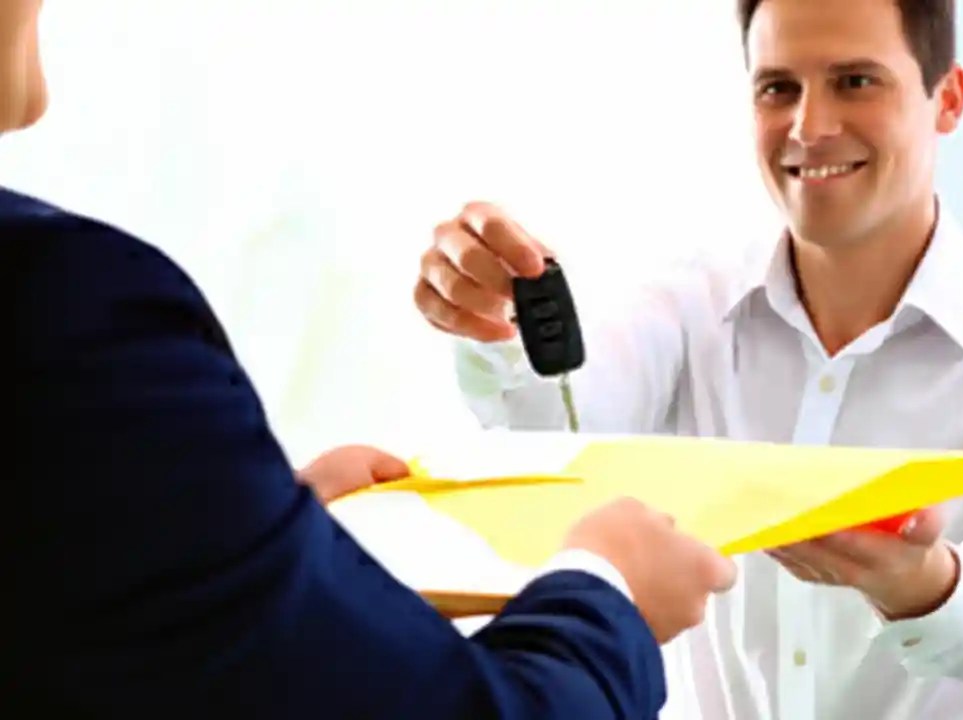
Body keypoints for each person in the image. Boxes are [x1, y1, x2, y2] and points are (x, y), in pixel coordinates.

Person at [414, 0, 963, 717]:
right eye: (779, 88)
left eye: (855, 81)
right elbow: (557, 429)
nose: (810, 126)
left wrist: (918, 583)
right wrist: (491, 330)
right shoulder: (690, 305)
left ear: (948, 99)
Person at [2, 0, 738, 717]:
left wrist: (258, 534)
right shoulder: (64, 306)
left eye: (856, 81)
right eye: (777, 86)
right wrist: (608, 591)